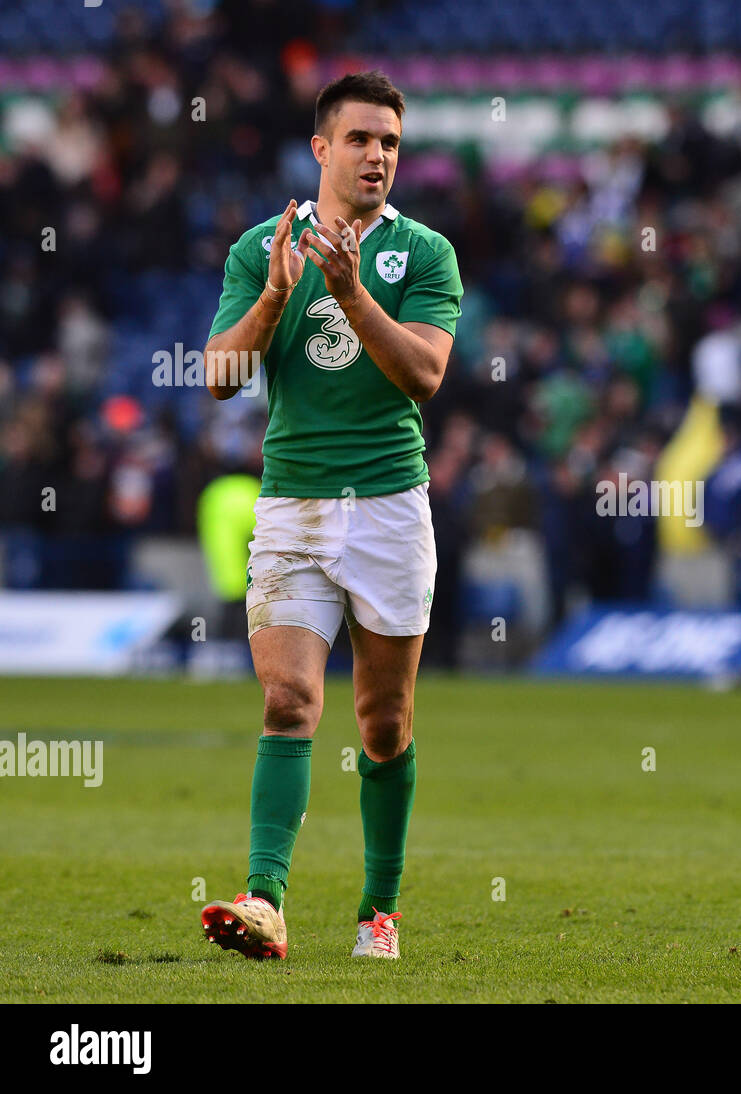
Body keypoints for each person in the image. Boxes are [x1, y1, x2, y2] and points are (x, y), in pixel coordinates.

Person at [200, 71, 463, 960]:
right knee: (288, 699)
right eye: (359, 139)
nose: (377, 156)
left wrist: (352, 293)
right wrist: (276, 293)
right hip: (292, 506)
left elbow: (424, 376)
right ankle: (264, 896)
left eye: (390, 141)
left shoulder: (425, 253)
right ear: (321, 149)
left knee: (383, 721)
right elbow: (218, 377)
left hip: (391, 506)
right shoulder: (258, 250)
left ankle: (376, 909)